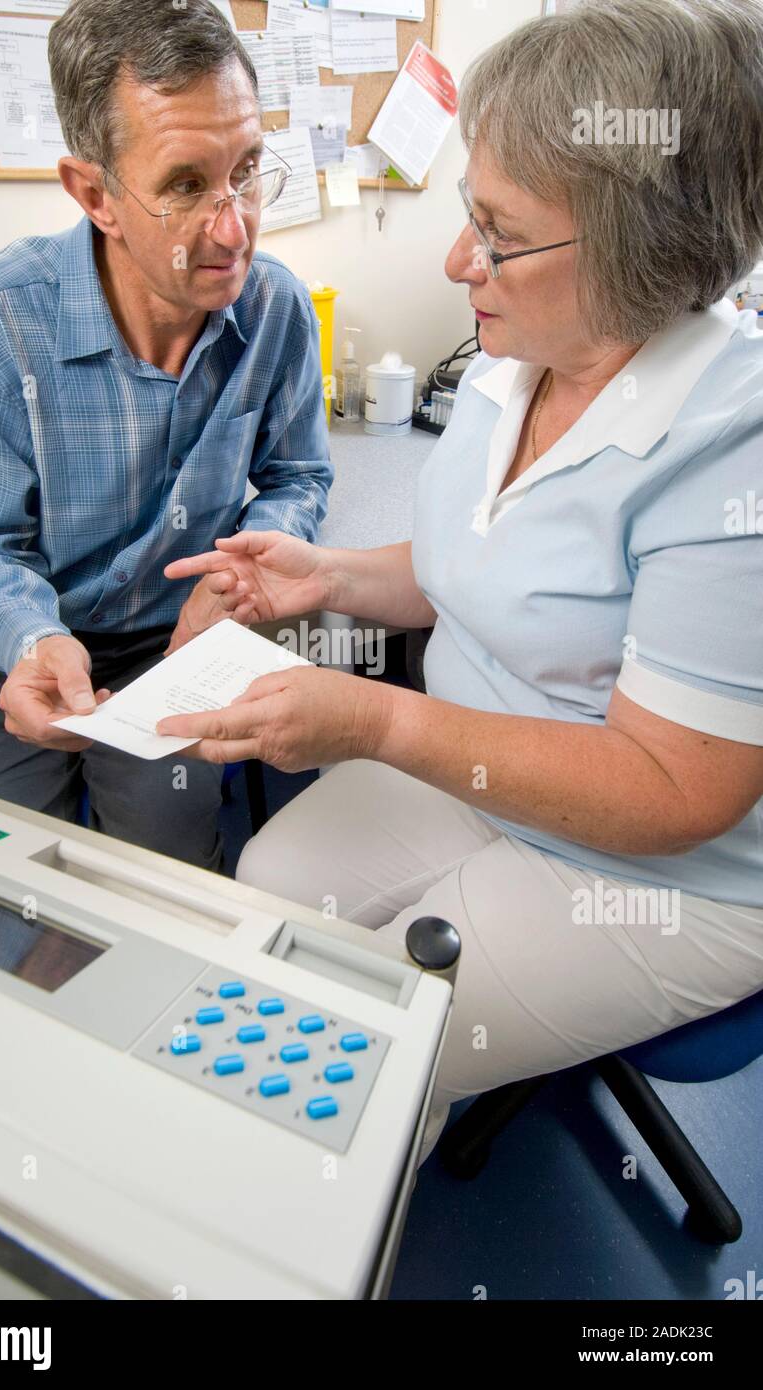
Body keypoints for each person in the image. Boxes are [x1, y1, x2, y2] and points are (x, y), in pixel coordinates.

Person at [152, 0, 763, 1157]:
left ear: (641, 254)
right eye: (463, 216)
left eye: (497, 233)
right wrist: (321, 575)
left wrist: (374, 716)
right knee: (268, 880)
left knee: (356, 1047)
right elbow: (469, 572)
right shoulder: (510, 355)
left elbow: (671, 790)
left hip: (660, 864)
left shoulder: (734, 450)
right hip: (477, 764)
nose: (454, 262)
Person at [0, 0, 331, 873]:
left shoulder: (279, 309)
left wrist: (248, 564)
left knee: (165, 880)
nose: (235, 227)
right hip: (11, 651)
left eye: (247, 170)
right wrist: (34, 641)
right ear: (94, 193)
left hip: (173, 648)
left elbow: (297, 477)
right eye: (186, 185)